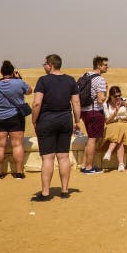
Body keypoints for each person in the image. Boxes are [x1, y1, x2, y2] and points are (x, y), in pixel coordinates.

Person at [31, 54, 81, 201]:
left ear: (50, 65)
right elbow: (76, 102)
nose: (44, 66)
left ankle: (46, 193)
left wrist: (34, 120)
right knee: (63, 156)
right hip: (65, 120)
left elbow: (36, 103)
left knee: (48, 157)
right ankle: (64, 190)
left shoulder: (43, 80)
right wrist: (77, 121)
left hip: (46, 120)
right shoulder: (70, 80)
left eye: (44, 64)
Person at [0, 61, 32, 180]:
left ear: (1, 72)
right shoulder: (19, 83)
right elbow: (29, 91)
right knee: (17, 144)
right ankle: (19, 173)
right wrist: (19, 78)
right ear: (13, 72)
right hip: (16, 117)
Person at [78, 56, 108, 175]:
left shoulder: (85, 75)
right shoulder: (100, 80)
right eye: (105, 65)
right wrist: (105, 91)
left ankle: (84, 165)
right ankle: (89, 167)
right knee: (92, 140)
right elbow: (101, 100)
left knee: (90, 138)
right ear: (99, 66)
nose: (107, 67)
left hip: (84, 111)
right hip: (95, 112)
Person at [102, 86, 127, 172]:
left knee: (120, 130)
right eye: (115, 96)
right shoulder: (106, 105)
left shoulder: (125, 100)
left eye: (119, 95)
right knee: (120, 133)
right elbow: (107, 121)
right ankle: (121, 164)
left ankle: (109, 151)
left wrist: (126, 105)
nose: (118, 97)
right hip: (113, 124)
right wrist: (115, 112)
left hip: (125, 123)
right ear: (111, 96)